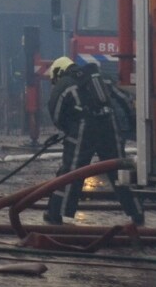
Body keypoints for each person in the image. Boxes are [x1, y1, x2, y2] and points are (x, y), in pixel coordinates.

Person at [43, 56, 143, 226]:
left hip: (83, 129)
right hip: (110, 126)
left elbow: (56, 112)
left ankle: (56, 214)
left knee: (71, 172)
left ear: (59, 72)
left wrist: (69, 129)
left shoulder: (64, 83)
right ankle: (137, 213)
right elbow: (124, 99)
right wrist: (129, 127)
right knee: (119, 171)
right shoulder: (98, 77)